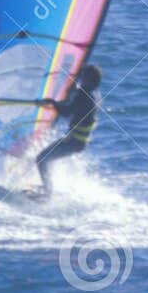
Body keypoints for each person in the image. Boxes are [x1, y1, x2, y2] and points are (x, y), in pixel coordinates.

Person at [35, 64, 101, 196]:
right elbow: (73, 107)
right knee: (46, 159)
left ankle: (47, 193)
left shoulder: (83, 96)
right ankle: (47, 186)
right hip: (77, 142)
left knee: (41, 159)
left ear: (86, 80)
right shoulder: (92, 95)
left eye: (81, 77)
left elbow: (66, 112)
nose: (79, 80)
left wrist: (52, 102)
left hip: (73, 142)